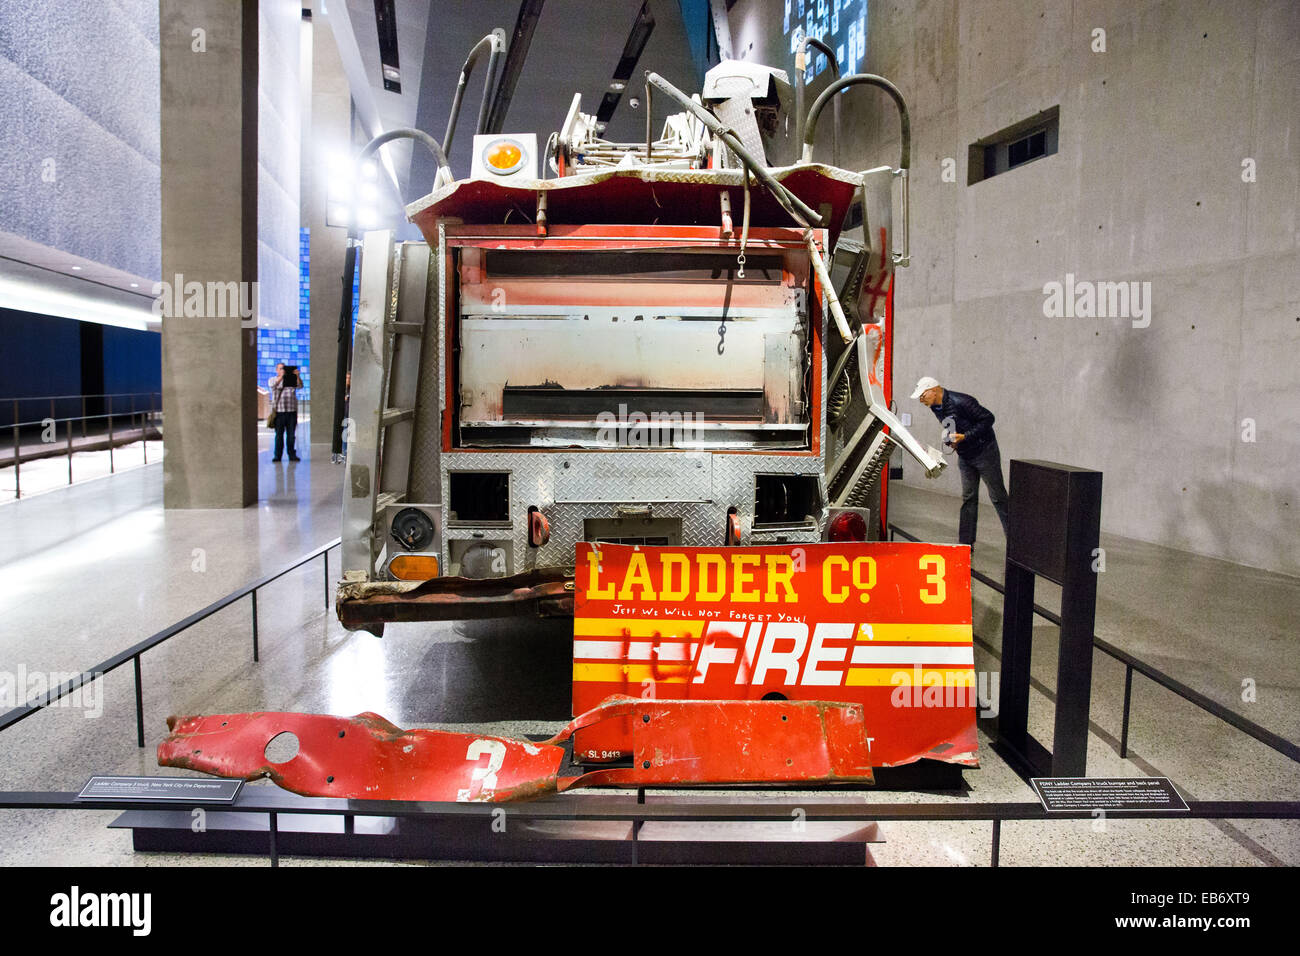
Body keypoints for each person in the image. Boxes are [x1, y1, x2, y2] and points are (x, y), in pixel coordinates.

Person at [911, 376, 1009, 548]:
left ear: (934, 390)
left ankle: (1016, 545)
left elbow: (988, 419)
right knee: (968, 497)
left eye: (922, 395)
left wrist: (966, 436)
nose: (921, 400)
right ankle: (965, 544)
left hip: (985, 453)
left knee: (998, 497)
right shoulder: (935, 407)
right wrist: (951, 441)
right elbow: (951, 426)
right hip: (965, 455)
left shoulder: (962, 401)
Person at [269, 363, 301, 462]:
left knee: (291, 435)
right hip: (279, 412)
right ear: (277, 370)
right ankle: (277, 455)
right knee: (279, 435)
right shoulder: (273, 379)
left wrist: (297, 376)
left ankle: (292, 454)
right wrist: (282, 377)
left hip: (291, 411)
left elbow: (300, 386)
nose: (283, 370)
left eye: (284, 368)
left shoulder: (291, 380)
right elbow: (273, 386)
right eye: (280, 369)